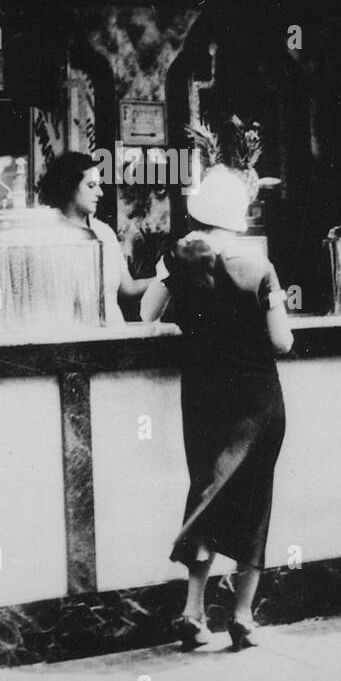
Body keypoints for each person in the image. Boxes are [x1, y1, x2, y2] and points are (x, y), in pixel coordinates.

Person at [141, 165, 294, 649]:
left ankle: (192, 610)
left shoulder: (176, 262)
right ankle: (243, 615)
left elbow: (147, 312)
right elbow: (282, 342)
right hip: (257, 399)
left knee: (205, 493)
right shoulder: (259, 268)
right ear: (239, 216)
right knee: (254, 503)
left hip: (203, 396)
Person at [37, 151, 151, 325]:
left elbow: (129, 288)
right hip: (73, 338)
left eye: (99, 185)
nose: (100, 193)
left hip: (114, 336)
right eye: (91, 186)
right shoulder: (50, 235)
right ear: (68, 186)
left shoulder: (104, 231)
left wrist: (169, 276)